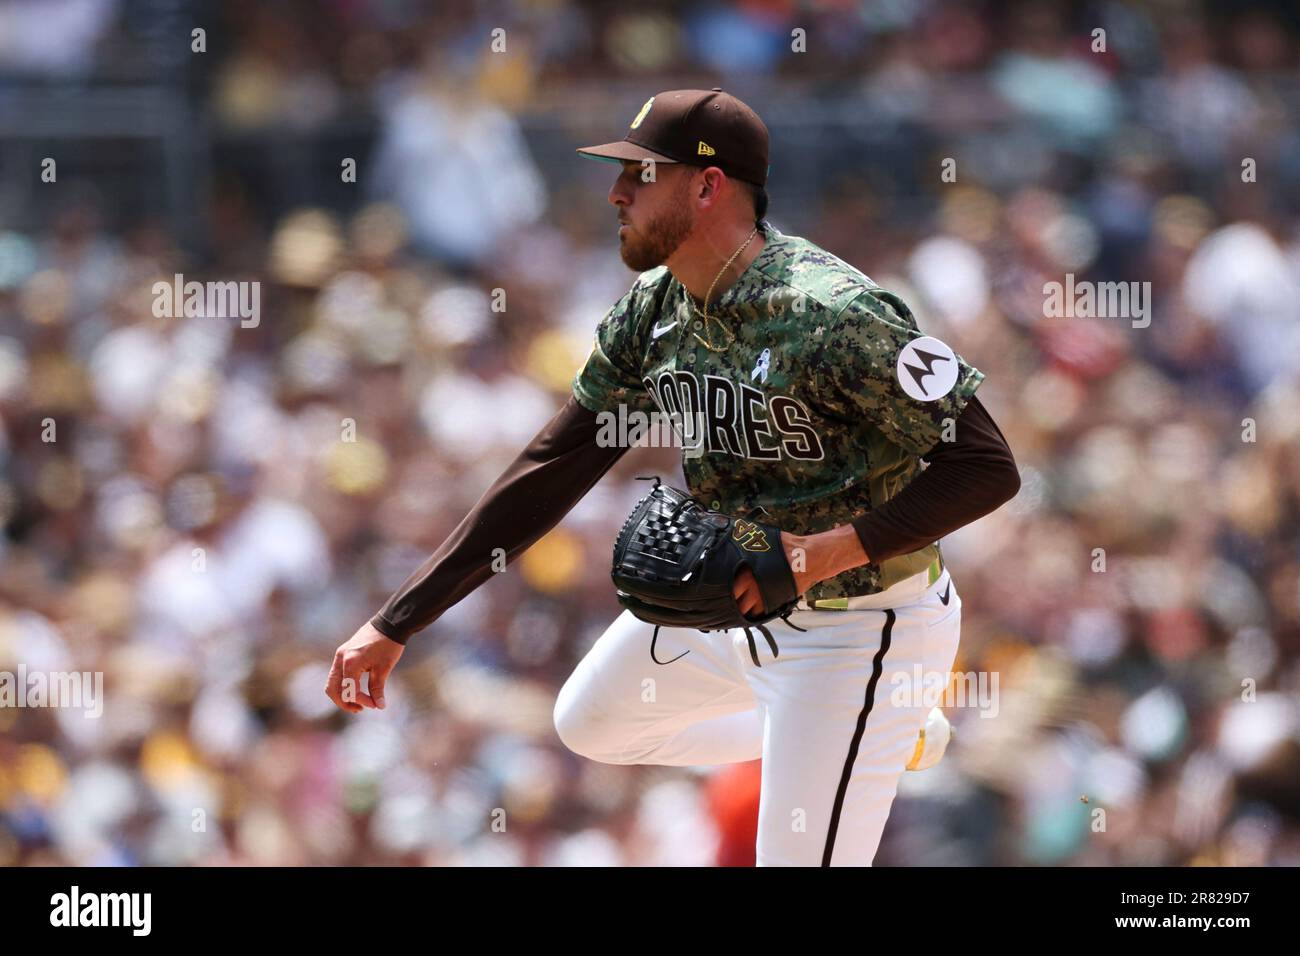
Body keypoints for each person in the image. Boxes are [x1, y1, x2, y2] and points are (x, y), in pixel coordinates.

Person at [326, 88, 1021, 866]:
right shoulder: (653, 309)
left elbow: (987, 466)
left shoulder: (837, 312)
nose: (618, 193)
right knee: (591, 722)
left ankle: (867, 720)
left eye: (641, 175)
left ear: (706, 185)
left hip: (862, 625)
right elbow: (556, 464)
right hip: (738, 603)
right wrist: (397, 621)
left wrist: (821, 551)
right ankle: (874, 731)